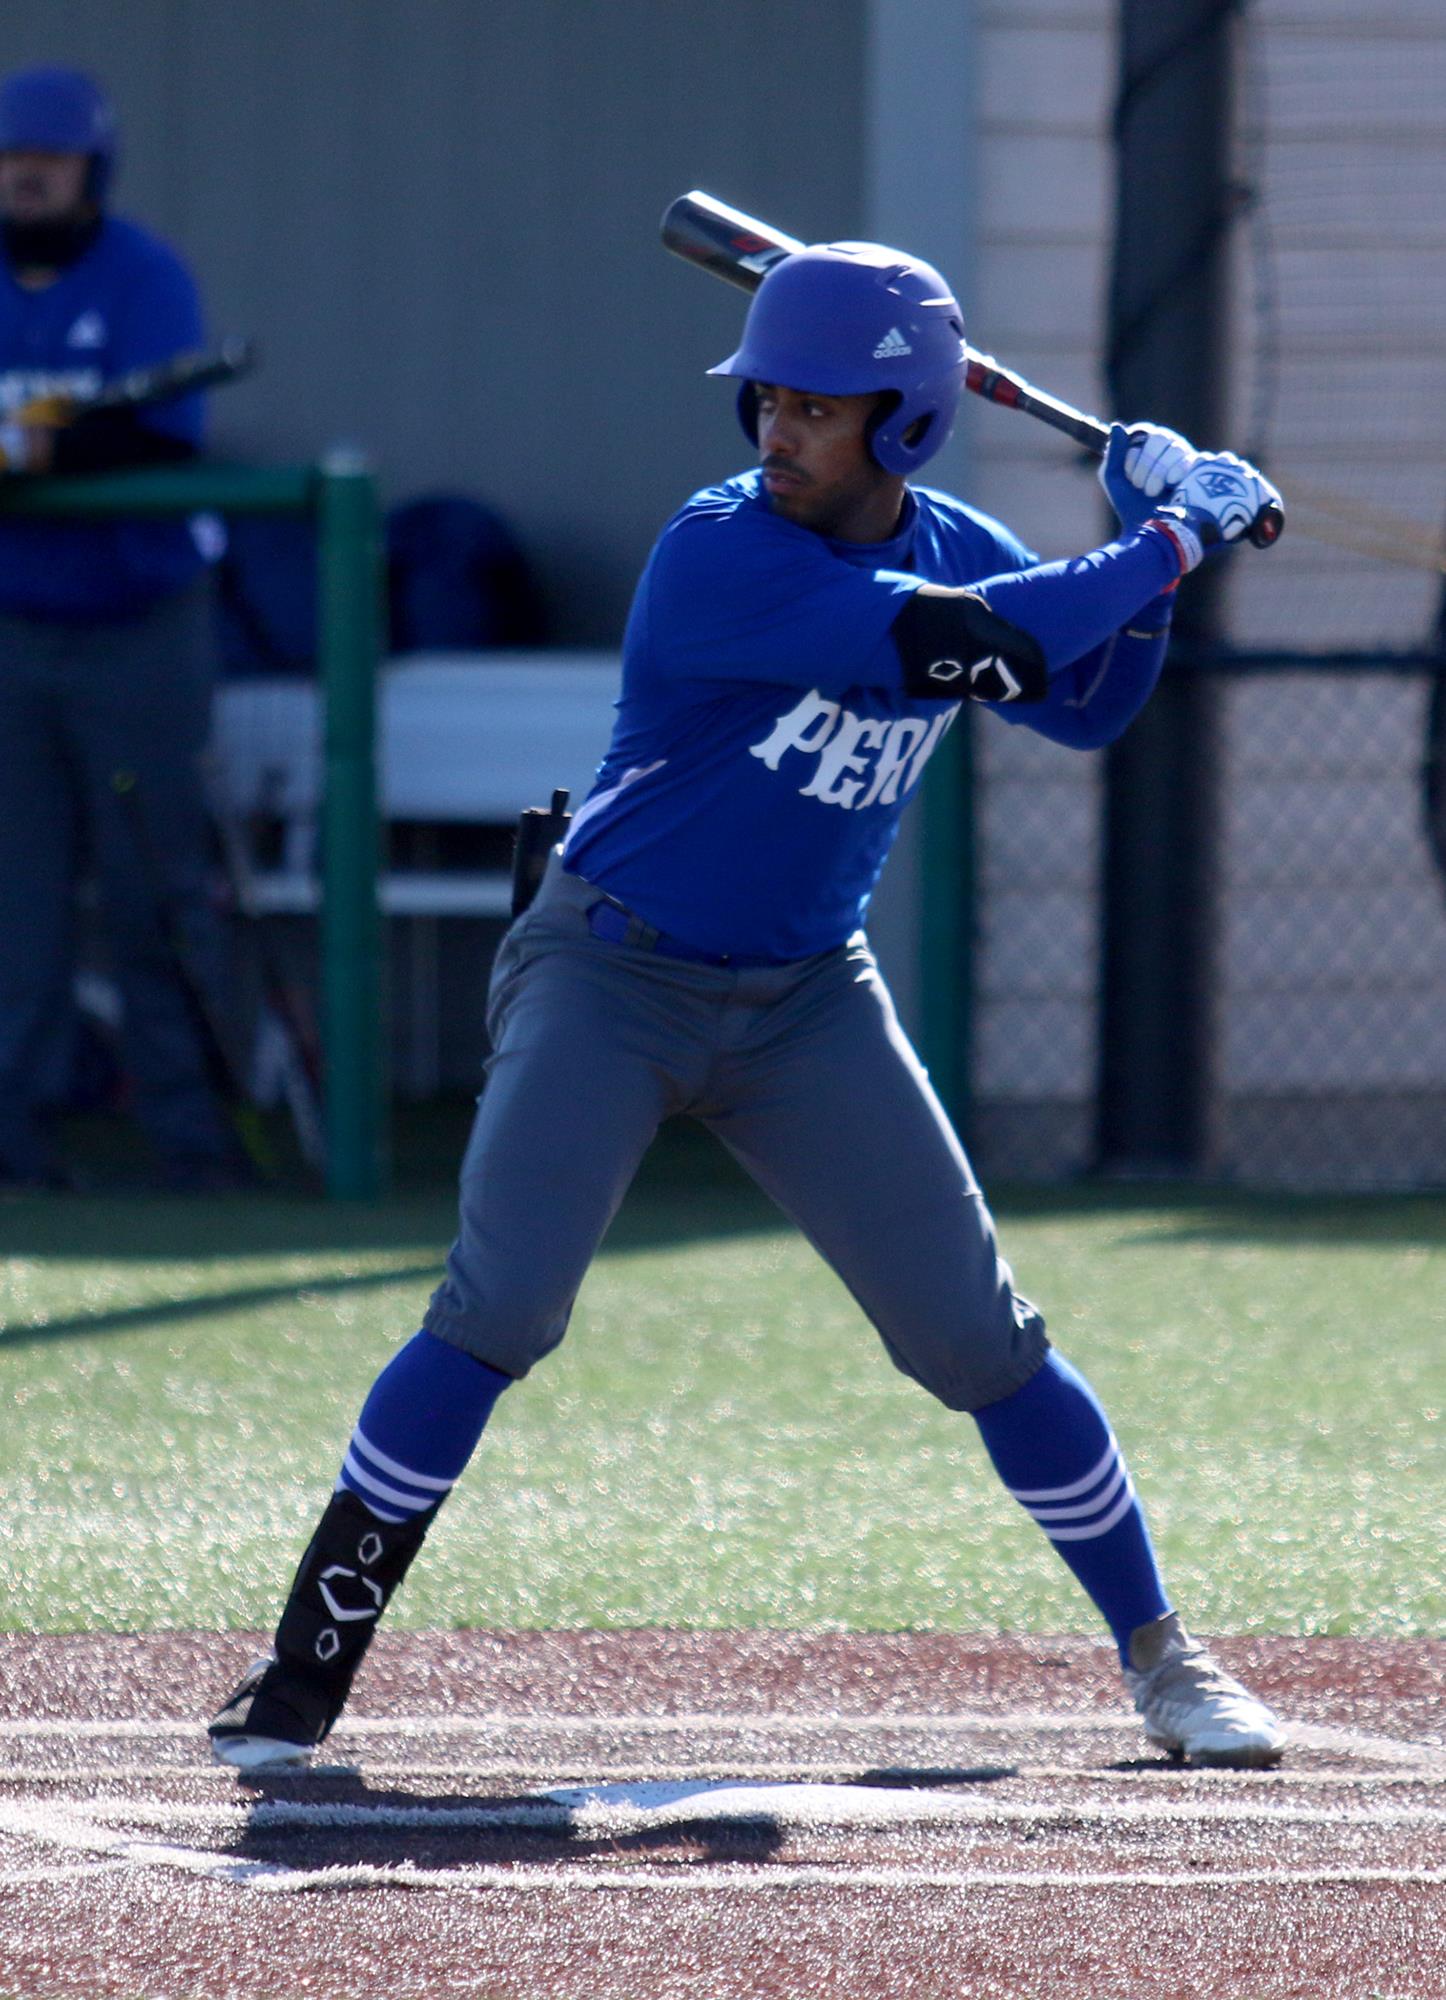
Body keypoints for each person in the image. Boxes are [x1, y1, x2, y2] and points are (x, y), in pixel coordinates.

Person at [210, 239, 1287, 1770]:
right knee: (498, 1307)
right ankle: (300, 1675)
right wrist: (1174, 535)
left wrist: (1146, 553)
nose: (777, 431)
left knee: (977, 1341)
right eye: (768, 400)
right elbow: (969, 645)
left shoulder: (968, 541)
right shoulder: (720, 551)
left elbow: (1090, 699)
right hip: (611, 968)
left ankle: (1166, 1659)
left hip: (804, 1000)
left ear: (904, 425)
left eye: (819, 408)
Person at [0, 65, 243, 1193]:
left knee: (157, 895)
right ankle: (14, 1142)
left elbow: (163, 441)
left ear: (90, 172)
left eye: (46, 168)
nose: (25, 184)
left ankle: (194, 1146)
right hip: (13, 631)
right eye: (9, 166)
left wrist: (43, 449)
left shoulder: (145, 276)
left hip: (139, 628)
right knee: (20, 902)